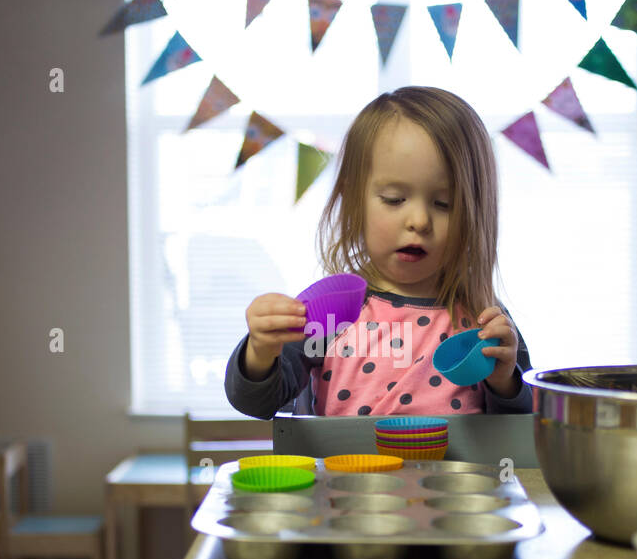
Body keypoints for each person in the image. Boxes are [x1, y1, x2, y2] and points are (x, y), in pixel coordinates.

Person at [225, 86, 533, 418]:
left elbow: (520, 427)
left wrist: (506, 382)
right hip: (347, 472)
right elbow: (257, 402)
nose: (419, 221)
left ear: (475, 214)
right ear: (353, 200)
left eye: (444, 204)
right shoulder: (332, 312)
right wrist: (261, 350)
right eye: (394, 199)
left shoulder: (481, 313)